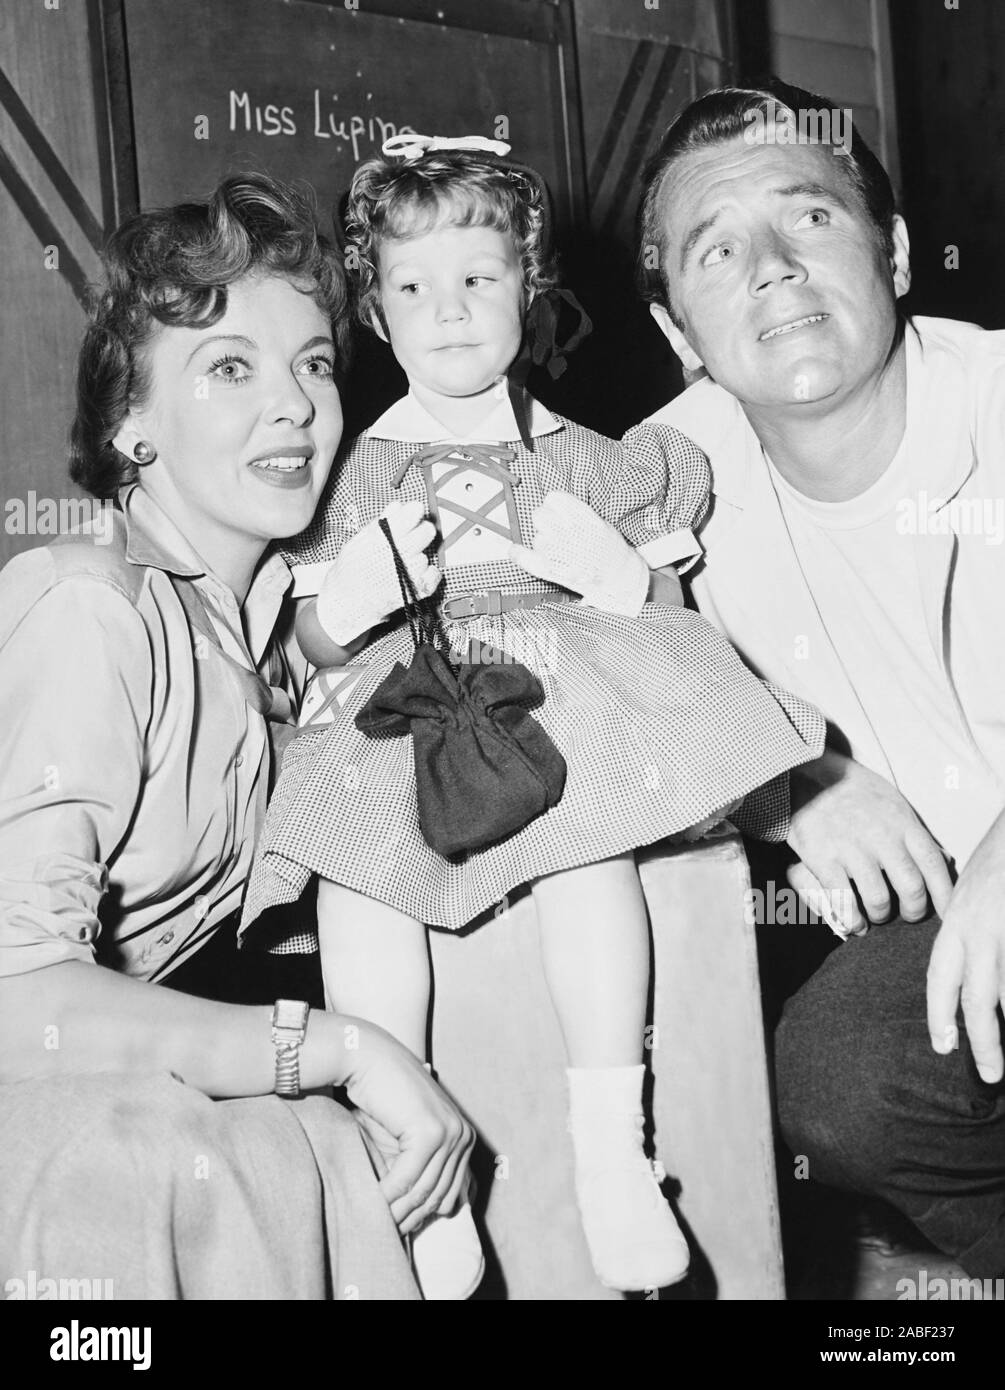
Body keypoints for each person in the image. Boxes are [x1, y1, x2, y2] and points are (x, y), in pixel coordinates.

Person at [238, 135, 826, 1297]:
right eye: (413, 288)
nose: (448, 313)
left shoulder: (592, 462)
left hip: (566, 688)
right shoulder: (357, 472)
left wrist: (617, 577)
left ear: (530, 283)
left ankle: (615, 1144)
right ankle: (407, 1153)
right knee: (360, 873)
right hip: (406, 692)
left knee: (588, 846)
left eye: (479, 280)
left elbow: (664, 600)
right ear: (374, 312)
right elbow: (304, 640)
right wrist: (343, 608)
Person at [0, 172, 474, 1300]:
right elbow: (21, 1001)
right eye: (229, 368)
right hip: (51, 1113)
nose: (296, 405)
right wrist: (344, 1048)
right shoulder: (87, 604)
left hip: (115, 1102)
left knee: (294, 1149)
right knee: (219, 1151)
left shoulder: (267, 651)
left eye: (314, 363)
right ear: (132, 428)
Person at [632, 77, 1005, 1277]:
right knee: (843, 1073)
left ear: (894, 253)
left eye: (811, 219)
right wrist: (791, 770)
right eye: (720, 247)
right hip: (947, 929)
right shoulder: (661, 478)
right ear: (681, 334)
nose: (775, 269)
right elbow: (562, 658)